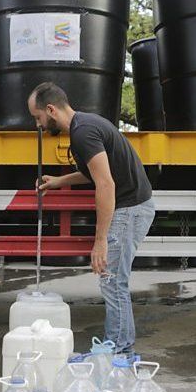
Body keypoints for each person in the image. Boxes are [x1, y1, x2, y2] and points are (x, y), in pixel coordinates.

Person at [27, 82, 155, 356]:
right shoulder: (84, 125)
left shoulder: (83, 132)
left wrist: (100, 242)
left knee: (112, 280)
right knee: (113, 280)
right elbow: (96, 172)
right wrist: (60, 180)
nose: (38, 125)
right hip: (133, 204)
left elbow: (105, 184)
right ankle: (120, 347)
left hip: (129, 207)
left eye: (38, 117)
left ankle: (118, 352)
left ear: (51, 109)